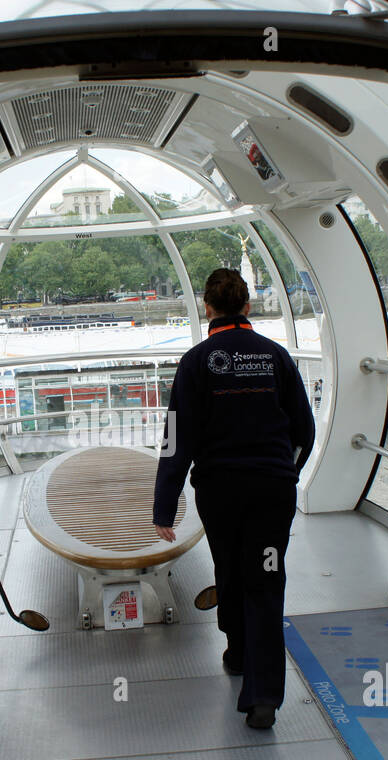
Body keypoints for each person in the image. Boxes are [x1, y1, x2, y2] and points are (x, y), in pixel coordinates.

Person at [152, 268, 315, 729]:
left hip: (220, 492)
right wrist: (287, 471)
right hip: (271, 492)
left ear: (208, 308)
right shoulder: (277, 357)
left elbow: (175, 439)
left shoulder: (196, 361)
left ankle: (238, 652)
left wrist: (164, 504)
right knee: (265, 578)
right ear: (247, 306)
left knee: (228, 567)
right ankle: (262, 695)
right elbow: (304, 430)